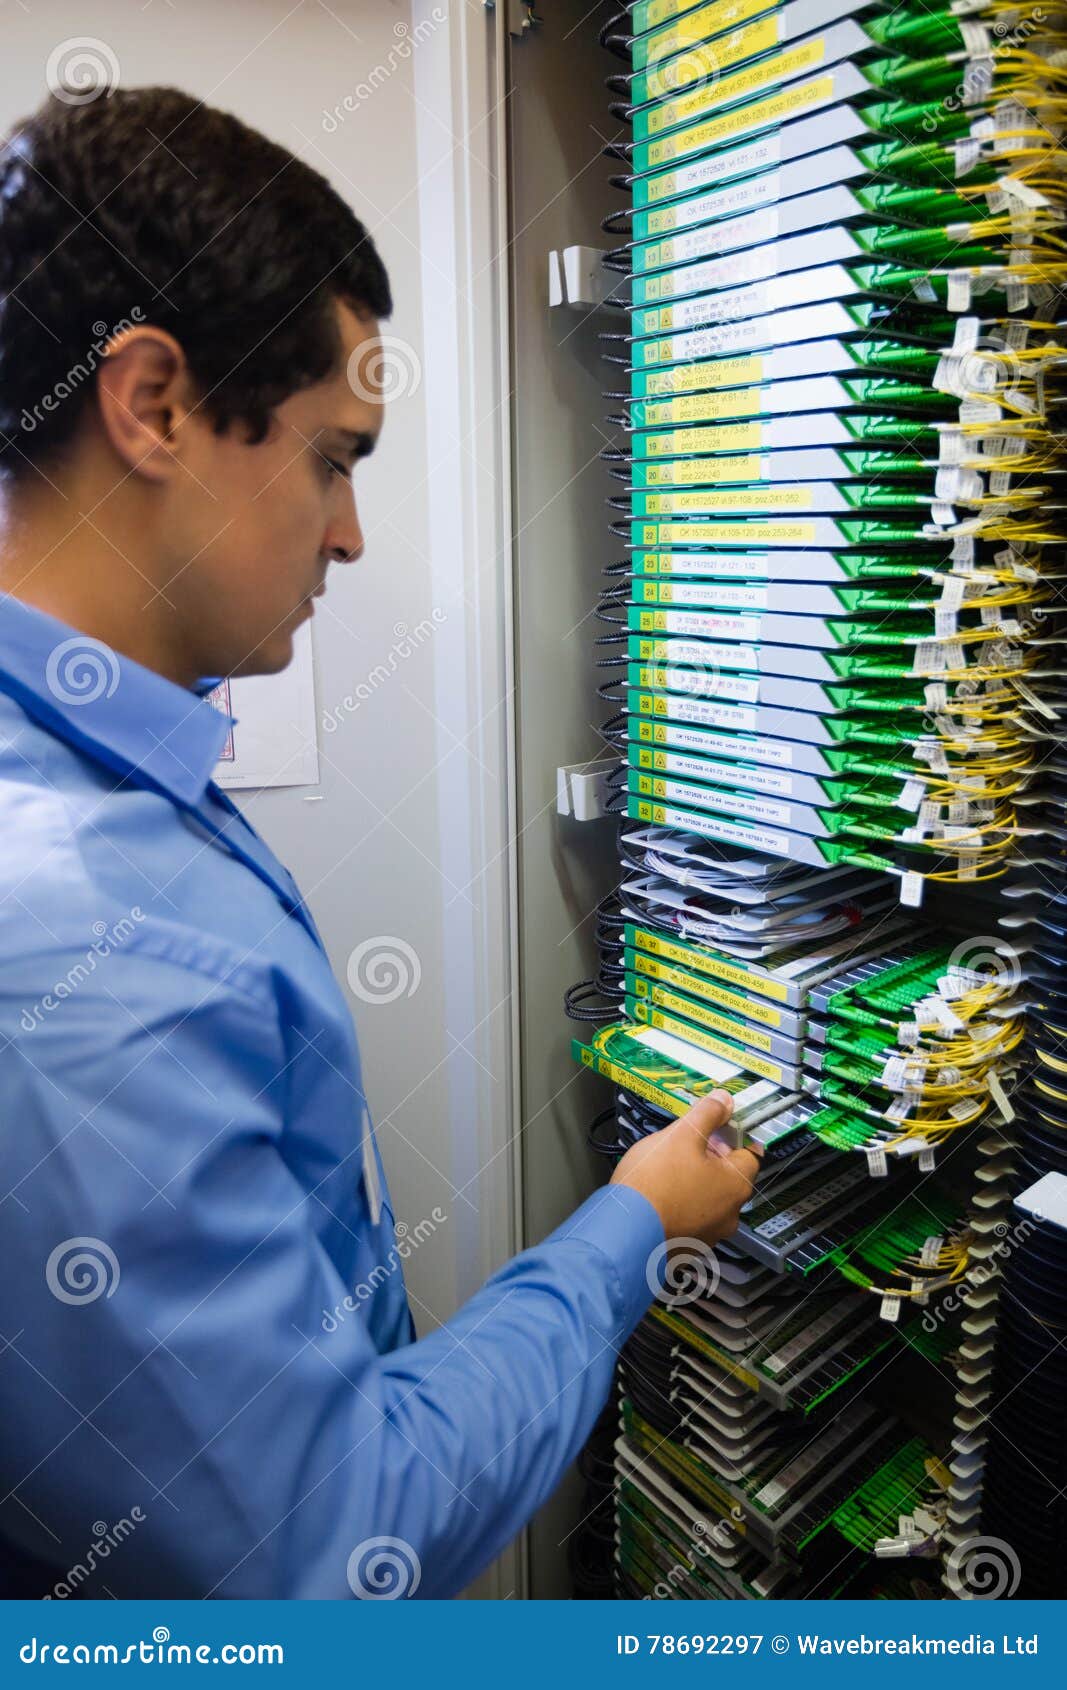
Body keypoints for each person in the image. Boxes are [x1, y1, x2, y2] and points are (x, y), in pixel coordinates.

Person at [0, 86, 760, 1599]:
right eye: (334, 460)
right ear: (151, 403)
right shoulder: (81, 936)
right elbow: (337, 1545)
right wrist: (630, 1229)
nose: (348, 537)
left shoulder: (107, 772)